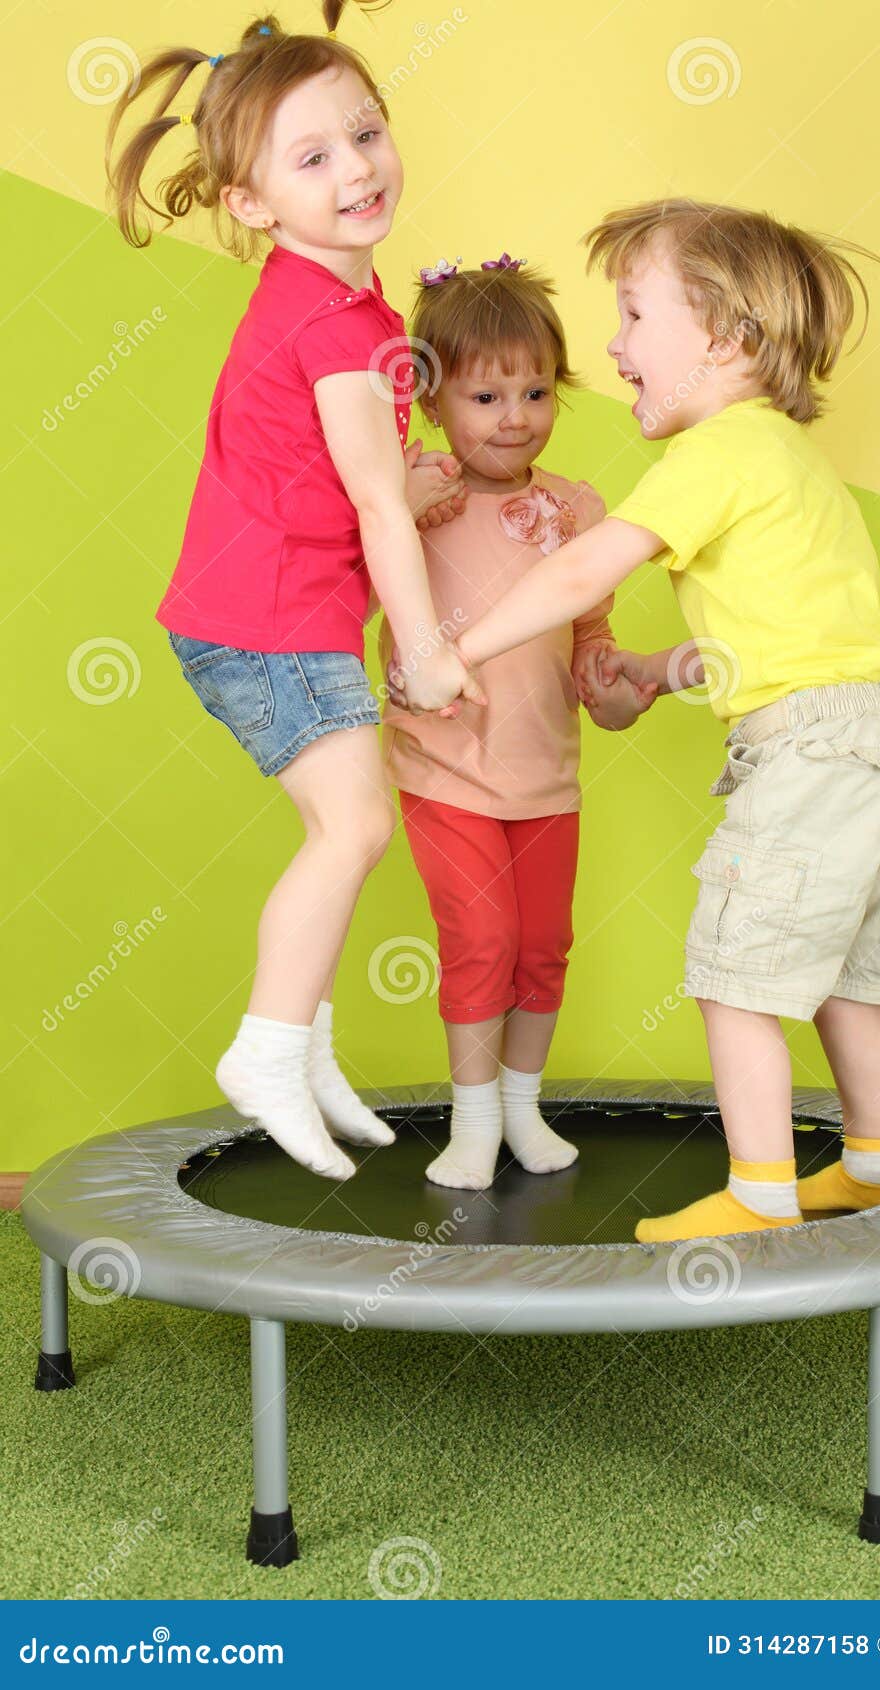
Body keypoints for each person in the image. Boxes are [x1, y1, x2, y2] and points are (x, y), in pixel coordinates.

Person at [404, 197, 880, 1241]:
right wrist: (659, 670)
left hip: (816, 744)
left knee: (734, 973)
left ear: (725, 338)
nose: (612, 350)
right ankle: (876, 1162)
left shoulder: (717, 451)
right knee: (843, 971)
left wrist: (456, 650)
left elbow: (582, 567)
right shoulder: (788, 455)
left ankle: (758, 1193)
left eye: (632, 316)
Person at [105, 5, 480, 1181]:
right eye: (313, 158)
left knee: (341, 828)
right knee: (358, 823)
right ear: (253, 204)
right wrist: (425, 652)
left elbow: (345, 476)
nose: (358, 168)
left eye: (366, 133)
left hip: (269, 614)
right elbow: (371, 507)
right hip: (265, 625)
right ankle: (267, 1050)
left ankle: (304, 1050)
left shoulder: (335, 303)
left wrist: (405, 483)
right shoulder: (331, 321)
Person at [380, 255, 642, 1190]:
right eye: (487, 397)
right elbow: (352, 593)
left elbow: (591, 641)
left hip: (546, 777)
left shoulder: (573, 510)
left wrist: (615, 688)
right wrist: (399, 512)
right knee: (481, 941)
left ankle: (523, 1110)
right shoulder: (410, 495)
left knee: (542, 948)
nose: (515, 416)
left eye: (535, 391)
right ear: (434, 400)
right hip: (444, 770)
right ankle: (472, 1120)